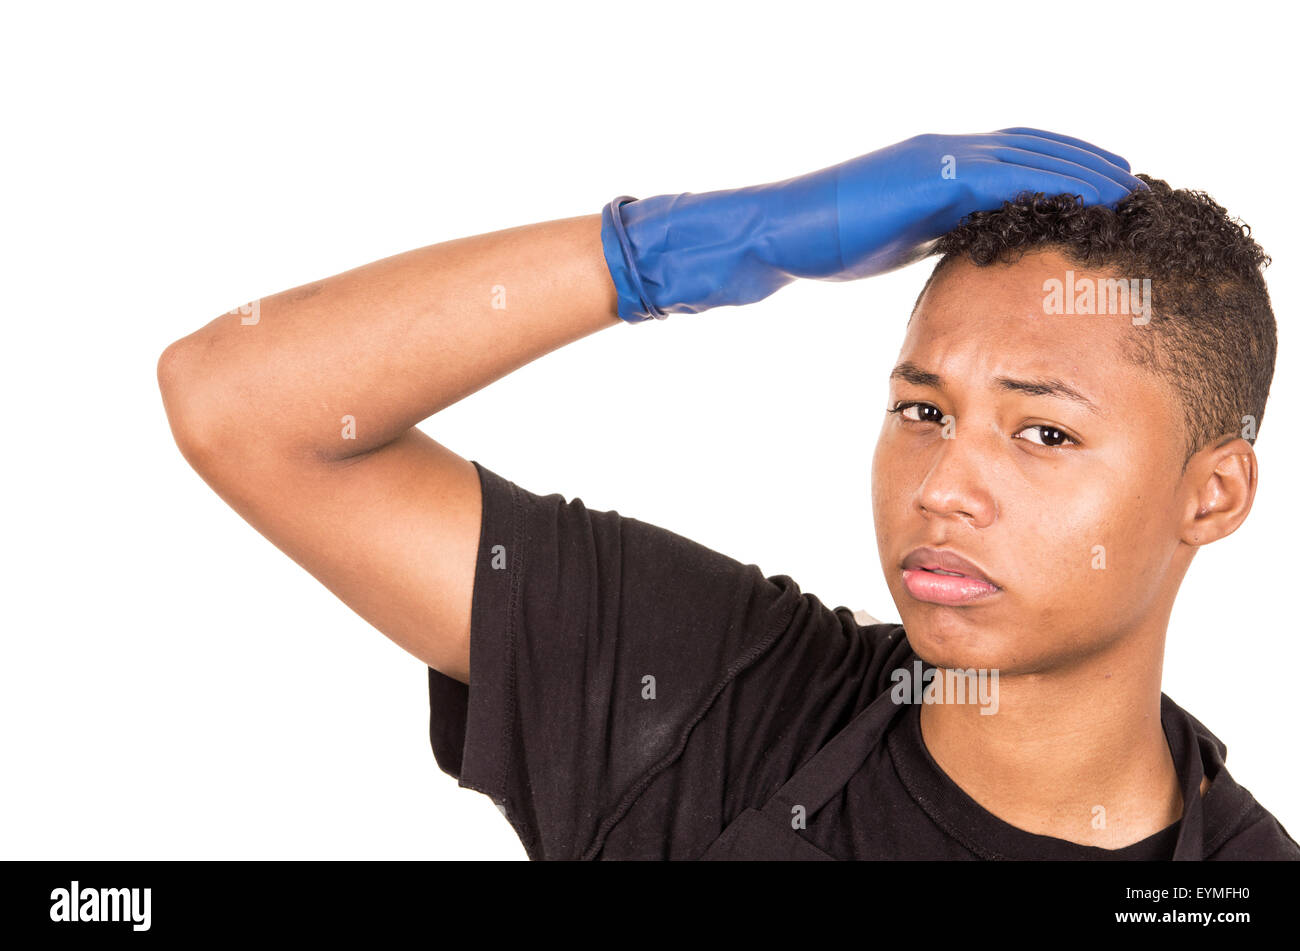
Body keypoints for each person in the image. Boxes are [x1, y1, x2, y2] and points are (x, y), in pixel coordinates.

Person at [157, 128, 1298, 860]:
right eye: (923, 412)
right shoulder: (709, 695)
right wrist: (668, 254)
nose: (946, 485)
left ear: (1213, 494)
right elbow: (240, 404)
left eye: (1043, 432)